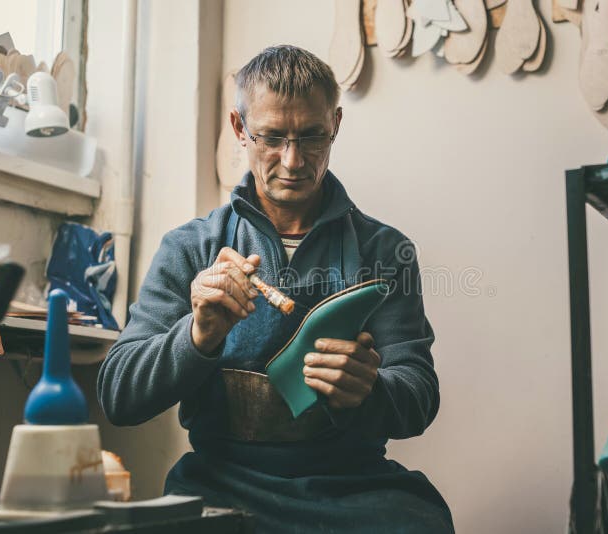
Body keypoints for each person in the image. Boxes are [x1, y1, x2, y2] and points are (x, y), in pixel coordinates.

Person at [97, 45, 454, 533]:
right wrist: (197, 336)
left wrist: (368, 393)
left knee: (421, 522)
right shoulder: (191, 248)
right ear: (240, 128)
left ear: (337, 125)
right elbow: (118, 395)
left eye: (312, 137)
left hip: (350, 485)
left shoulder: (385, 251)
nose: (293, 160)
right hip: (222, 480)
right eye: (272, 137)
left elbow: (418, 395)